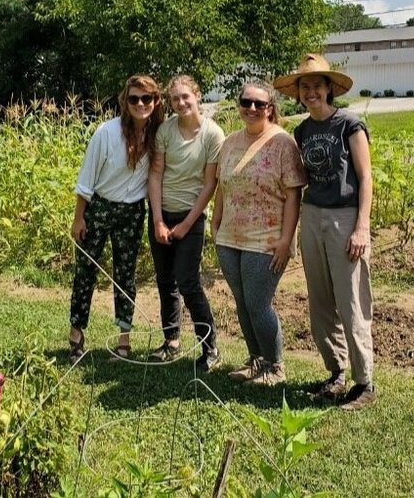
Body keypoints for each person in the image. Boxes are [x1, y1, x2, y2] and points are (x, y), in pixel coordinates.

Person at [274, 54, 377, 409]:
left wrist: (361, 227)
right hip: (313, 215)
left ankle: (364, 383)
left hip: (345, 217)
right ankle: (336, 373)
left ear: (329, 88)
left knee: (351, 302)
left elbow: (366, 177)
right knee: (320, 302)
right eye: (305, 86)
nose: (311, 92)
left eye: (317, 85)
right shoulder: (302, 131)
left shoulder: (350, 124)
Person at [212, 79, 306, 386]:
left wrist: (286, 240)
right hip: (230, 237)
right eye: (246, 102)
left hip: (266, 239)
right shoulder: (230, 142)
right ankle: (256, 360)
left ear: (270, 108)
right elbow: (223, 184)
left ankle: (275, 366)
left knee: (258, 304)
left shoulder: (282, 143)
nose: (251, 108)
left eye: (259, 103)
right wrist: (215, 221)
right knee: (242, 302)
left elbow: (293, 195)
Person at [69, 74, 164, 362]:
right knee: (86, 271)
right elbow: (86, 178)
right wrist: (79, 218)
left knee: (125, 275)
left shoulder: (158, 135)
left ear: (155, 101)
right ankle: (76, 335)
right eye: (134, 98)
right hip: (99, 207)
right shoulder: (106, 133)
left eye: (146, 98)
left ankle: (124, 341)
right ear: (125, 101)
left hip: (132, 212)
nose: (140, 104)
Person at [146, 75, 225, 371]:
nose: (180, 103)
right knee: (165, 281)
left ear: (197, 96)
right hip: (161, 213)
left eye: (185, 97)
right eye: (175, 99)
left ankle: (210, 347)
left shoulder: (213, 134)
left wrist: (186, 224)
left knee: (188, 283)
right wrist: (158, 220)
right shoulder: (165, 130)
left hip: (191, 217)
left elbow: (209, 185)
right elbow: (155, 174)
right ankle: (171, 341)